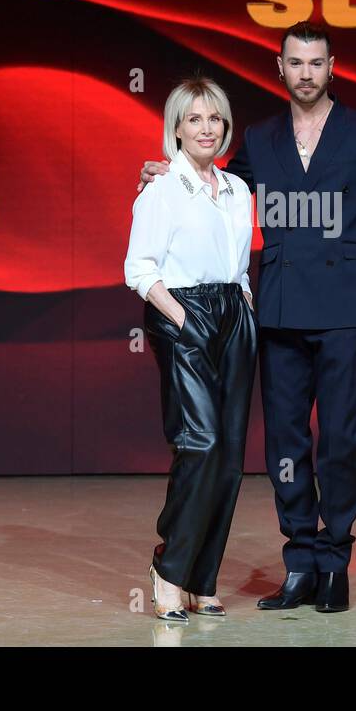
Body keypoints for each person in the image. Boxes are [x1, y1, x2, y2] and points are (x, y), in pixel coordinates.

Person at [137, 23, 356, 613]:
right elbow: (217, 184)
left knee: (339, 438)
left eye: (316, 63)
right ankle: (300, 561)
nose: (306, 73)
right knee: (284, 441)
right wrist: (167, 171)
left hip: (346, 310)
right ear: (278, 68)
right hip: (281, 312)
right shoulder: (260, 140)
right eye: (296, 62)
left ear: (332, 67)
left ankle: (335, 561)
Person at [124, 76, 257, 622]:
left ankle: (203, 577)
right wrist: (184, 320)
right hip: (182, 312)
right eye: (195, 119)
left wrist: (243, 306)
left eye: (216, 119)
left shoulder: (237, 192)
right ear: (176, 128)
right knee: (198, 443)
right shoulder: (160, 190)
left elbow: (240, 265)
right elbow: (138, 268)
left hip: (234, 313)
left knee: (228, 455)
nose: (207, 128)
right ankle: (170, 567)